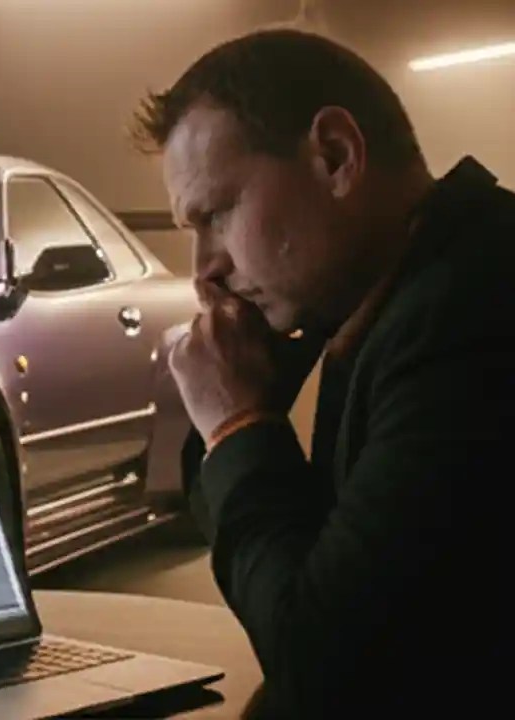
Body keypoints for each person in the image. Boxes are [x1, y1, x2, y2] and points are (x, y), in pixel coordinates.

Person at [130, 28, 514, 718]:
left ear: (335, 156)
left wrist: (241, 427)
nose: (202, 269)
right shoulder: (396, 297)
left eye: (216, 214)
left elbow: (328, 670)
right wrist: (235, 418)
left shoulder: (471, 313)